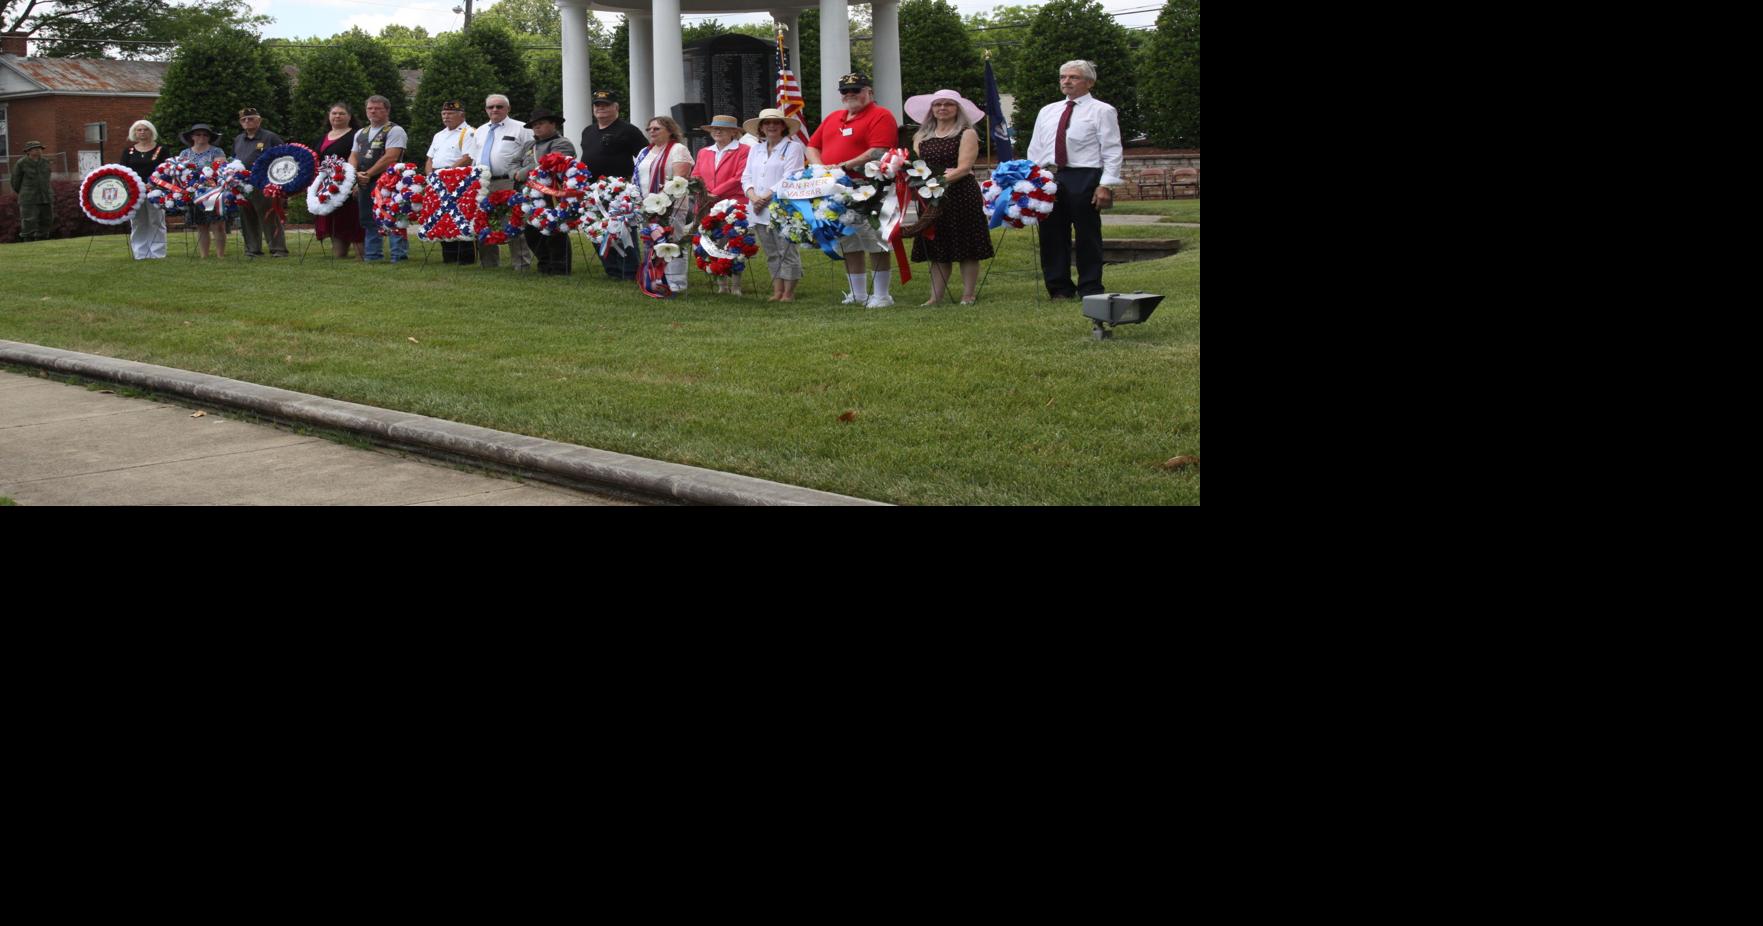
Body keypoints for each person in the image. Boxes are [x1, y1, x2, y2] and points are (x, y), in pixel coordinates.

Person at [1024, 59, 1122, 299]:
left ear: (1089, 82)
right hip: (1049, 176)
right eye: (1063, 77)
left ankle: (1090, 287)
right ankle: (1059, 289)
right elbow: (1035, 148)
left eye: (1073, 77)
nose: (1066, 81)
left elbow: (1111, 149)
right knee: (1052, 233)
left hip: (1084, 174)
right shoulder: (1048, 111)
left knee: (1087, 233)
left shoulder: (1102, 110)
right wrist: (1032, 180)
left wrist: (1106, 184)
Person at [807, 72, 900, 308]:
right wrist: (821, 169)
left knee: (875, 240)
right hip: (835, 187)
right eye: (845, 91)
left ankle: (881, 295)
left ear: (869, 92)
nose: (850, 95)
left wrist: (842, 166)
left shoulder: (881, 115)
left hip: (869, 187)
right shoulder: (833, 118)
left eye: (856, 90)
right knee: (848, 240)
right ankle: (857, 294)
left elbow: (878, 150)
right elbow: (812, 146)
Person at [905, 89, 994, 305]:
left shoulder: (966, 133)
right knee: (937, 244)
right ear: (931, 109)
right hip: (929, 196)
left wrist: (937, 183)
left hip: (960, 193)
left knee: (967, 244)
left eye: (948, 104)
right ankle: (935, 297)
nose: (942, 108)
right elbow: (916, 166)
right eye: (937, 104)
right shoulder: (921, 135)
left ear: (957, 109)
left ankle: (968, 294)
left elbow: (964, 168)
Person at [578, 89, 647, 281]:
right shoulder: (588, 131)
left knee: (622, 230)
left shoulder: (628, 130)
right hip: (592, 191)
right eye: (597, 105)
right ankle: (612, 269)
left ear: (616, 107)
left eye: (606, 105)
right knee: (595, 228)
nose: (601, 109)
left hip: (618, 192)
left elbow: (644, 157)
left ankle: (630, 270)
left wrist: (634, 186)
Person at [740, 108, 806, 302]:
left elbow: (790, 177)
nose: (771, 126)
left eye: (775, 122)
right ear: (761, 127)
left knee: (787, 250)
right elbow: (746, 177)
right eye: (767, 123)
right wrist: (753, 197)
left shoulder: (792, 147)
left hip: (782, 208)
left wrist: (765, 197)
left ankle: (789, 292)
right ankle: (777, 291)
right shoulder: (756, 149)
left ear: (783, 126)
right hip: (758, 210)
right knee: (771, 253)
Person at [634, 115, 695, 295]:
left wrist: (661, 203)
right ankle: (653, 280)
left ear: (670, 131)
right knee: (649, 243)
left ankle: (676, 284)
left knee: (671, 243)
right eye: (649, 129)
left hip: (671, 207)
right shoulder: (644, 152)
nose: (652, 132)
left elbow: (680, 179)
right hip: (646, 206)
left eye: (657, 128)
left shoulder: (678, 150)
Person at [692, 114, 752, 295]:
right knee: (712, 242)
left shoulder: (744, 150)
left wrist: (715, 192)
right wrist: (702, 192)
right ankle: (721, 284)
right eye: (714, 128)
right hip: (707, 204)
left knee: (733, 243)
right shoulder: (704, 152)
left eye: (722, 128)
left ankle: (736, 285)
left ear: (733, 132)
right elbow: (696, 175)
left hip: (733, 204)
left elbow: (739, 177)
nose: (717, 131)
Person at [474, 93, 534, 270]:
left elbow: (531, 156)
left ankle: (521, 264)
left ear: (508, 108)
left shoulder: (521, 128)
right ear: (486, 110)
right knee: (483, 222)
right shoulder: (480, 130)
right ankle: (489, 264)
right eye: (491, 107)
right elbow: (474, 157)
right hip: (483, 184)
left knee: (513, 222)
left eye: (499, 106)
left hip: (509, 182)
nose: (495, 110)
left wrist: (521, 176)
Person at [515, 108, 577, 275]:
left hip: (552, 194)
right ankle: (544, 263)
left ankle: (559, 266)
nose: (537, 127)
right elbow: (513, 163)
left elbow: (548, 165)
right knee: (532, 231)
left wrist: (521, 173)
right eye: (534, 125)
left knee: (554, 230)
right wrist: (514, 171)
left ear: (553, 124)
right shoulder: (529, 145)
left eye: (541, 123)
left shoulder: (562, 143)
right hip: (530, 196)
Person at [349, 94, 408, 263]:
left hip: (389, 182)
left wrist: (368, 173)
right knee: (368, 218)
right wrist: (355, 174)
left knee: (393, 218)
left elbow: (391, 157)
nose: (373, 112)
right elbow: (353, 155)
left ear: (387, 111)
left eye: (378, 109)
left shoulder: (395, 130)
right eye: (370, 108)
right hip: (364, 181)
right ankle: (373, 255)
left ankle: (398, 255)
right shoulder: (361, 132)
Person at [423, 98, 477, 266]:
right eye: (444, 113)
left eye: (450, 113)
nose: (446, 117)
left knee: (459, 217)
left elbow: (468, 157)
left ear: (461, 115)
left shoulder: (469, 132)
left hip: (457, 180)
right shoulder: (439, 135)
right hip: (438, 180)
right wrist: (431, 175)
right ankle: (449, 254)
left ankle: (465, 257)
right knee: (442, 218)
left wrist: (446, 174)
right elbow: (429, 158)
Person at [232, 107, 288, 257]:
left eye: (251, 118)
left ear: (259, 120)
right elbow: (235, 158)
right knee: (247, 217)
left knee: (269, 215)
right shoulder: (238, 139)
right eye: (244, 119)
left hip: (264, 183)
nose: (247, 121)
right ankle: (252, 249)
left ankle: (278, 249)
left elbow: (285, 157)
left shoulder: (270, 137)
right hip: (243, 184)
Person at [314, 102, 366, 260]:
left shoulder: (357, 135)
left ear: (349, 117)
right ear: (329, 116)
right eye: (334, 113)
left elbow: (360, 159)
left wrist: (356, 180)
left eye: (341, 113)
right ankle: (340, 252)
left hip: (349, 183)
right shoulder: (323, 137)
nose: (337, 116)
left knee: (352, 218)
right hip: (328, 185)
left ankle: (362, 253)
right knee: (334, 218)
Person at [119, 120, 174, 259]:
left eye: (145, 129)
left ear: (151, 131)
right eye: (139, 130)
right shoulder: (128, 152)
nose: (142, 132)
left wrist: (153, 184)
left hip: (155, 190)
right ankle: (140, 253)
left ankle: (157, 253)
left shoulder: (161, 150)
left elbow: (167, 170)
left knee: (156, 220)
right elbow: (122, 172)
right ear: (134, 133)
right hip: (135, 192)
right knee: (137, 221)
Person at [178, 124, 229, 258]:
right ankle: (204, 255)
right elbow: (181, 173)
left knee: (218, 225)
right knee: (201, 226)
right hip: (194, 193)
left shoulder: (217, 152)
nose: (202, 137)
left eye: (205, 135)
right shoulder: (185, 153)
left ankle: (220, 255)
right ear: (192, 137)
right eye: (198, 134)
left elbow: (221, 169)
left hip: (214, 192)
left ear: (210, 137)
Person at [8, 140, 53, 241]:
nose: (39, 151)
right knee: (29, 220)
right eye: (36, 149)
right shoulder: (21, 163)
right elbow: (15, 181)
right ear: (28, 151)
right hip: (28, 197)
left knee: (47, 219)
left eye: (40, 149)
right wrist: (25, 192)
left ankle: (43, 239)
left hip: (45, 195)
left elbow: (47, 177)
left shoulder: (45, 162)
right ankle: (28, 240)